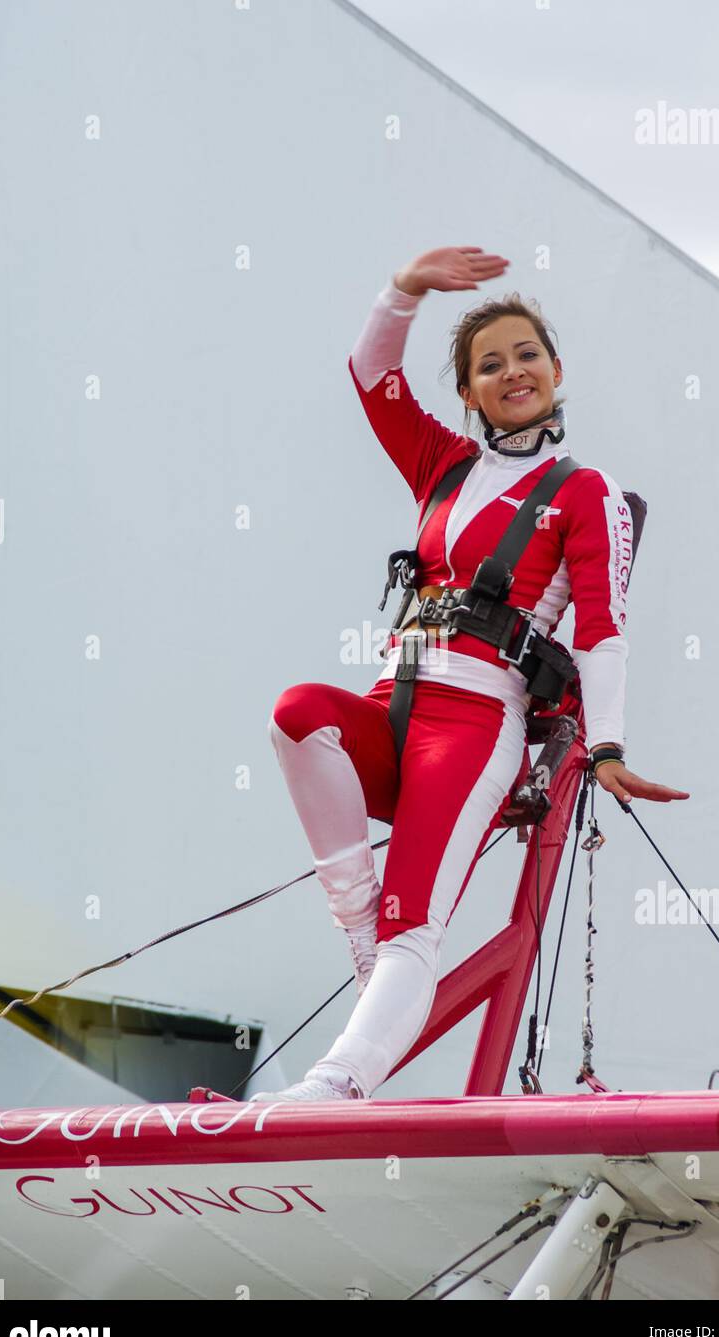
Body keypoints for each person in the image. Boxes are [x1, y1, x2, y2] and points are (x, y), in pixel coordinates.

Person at [250, 246, 688, 1106]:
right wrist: (404, 289)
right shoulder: (442, 466)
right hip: (395, 702)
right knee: (298, 714)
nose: (512, 371)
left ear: (557, 372)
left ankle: (336, 1084)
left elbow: (602, 629)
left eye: (527, 355)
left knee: (420, 924)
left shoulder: (584, 490)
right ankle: (364, 938)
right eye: (490, 365)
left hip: (475, 724)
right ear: (469, 393)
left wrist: (605, 746)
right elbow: (372, 373)